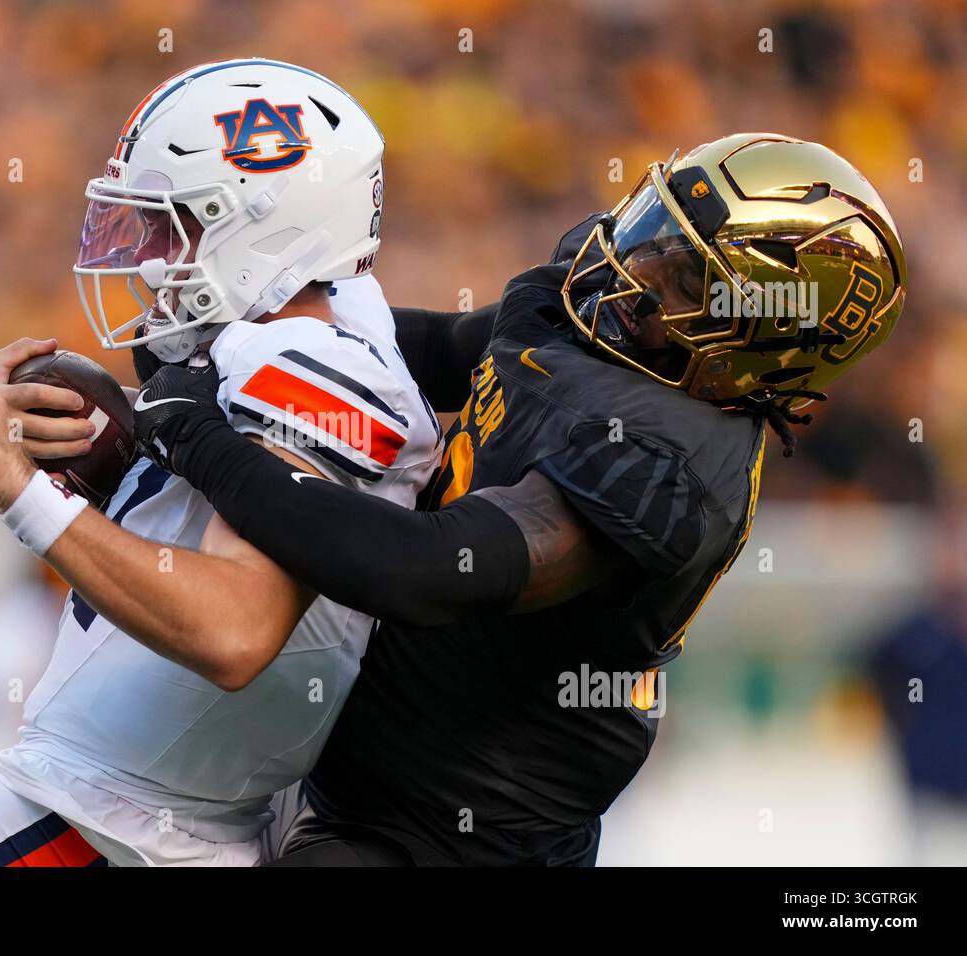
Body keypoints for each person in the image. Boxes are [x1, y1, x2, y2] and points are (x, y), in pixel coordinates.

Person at [133, 133, 909, 865]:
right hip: (347, 765)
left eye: (684, 278)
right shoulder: (603, 317)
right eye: (654, 232)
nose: (632, 268)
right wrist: (236, 338)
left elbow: (426, 570)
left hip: (453, 835)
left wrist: (199, 436)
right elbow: (430, 354)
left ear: (763, 339)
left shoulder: (669, 468)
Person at [0, 58, 441, 867]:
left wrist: (30, 501)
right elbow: (51, 467)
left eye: (177, 223)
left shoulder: (310, 363)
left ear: (270, 226)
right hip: (113, 818)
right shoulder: (259, 354)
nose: (148, 257)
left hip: (123, 830)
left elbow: (236, 628)